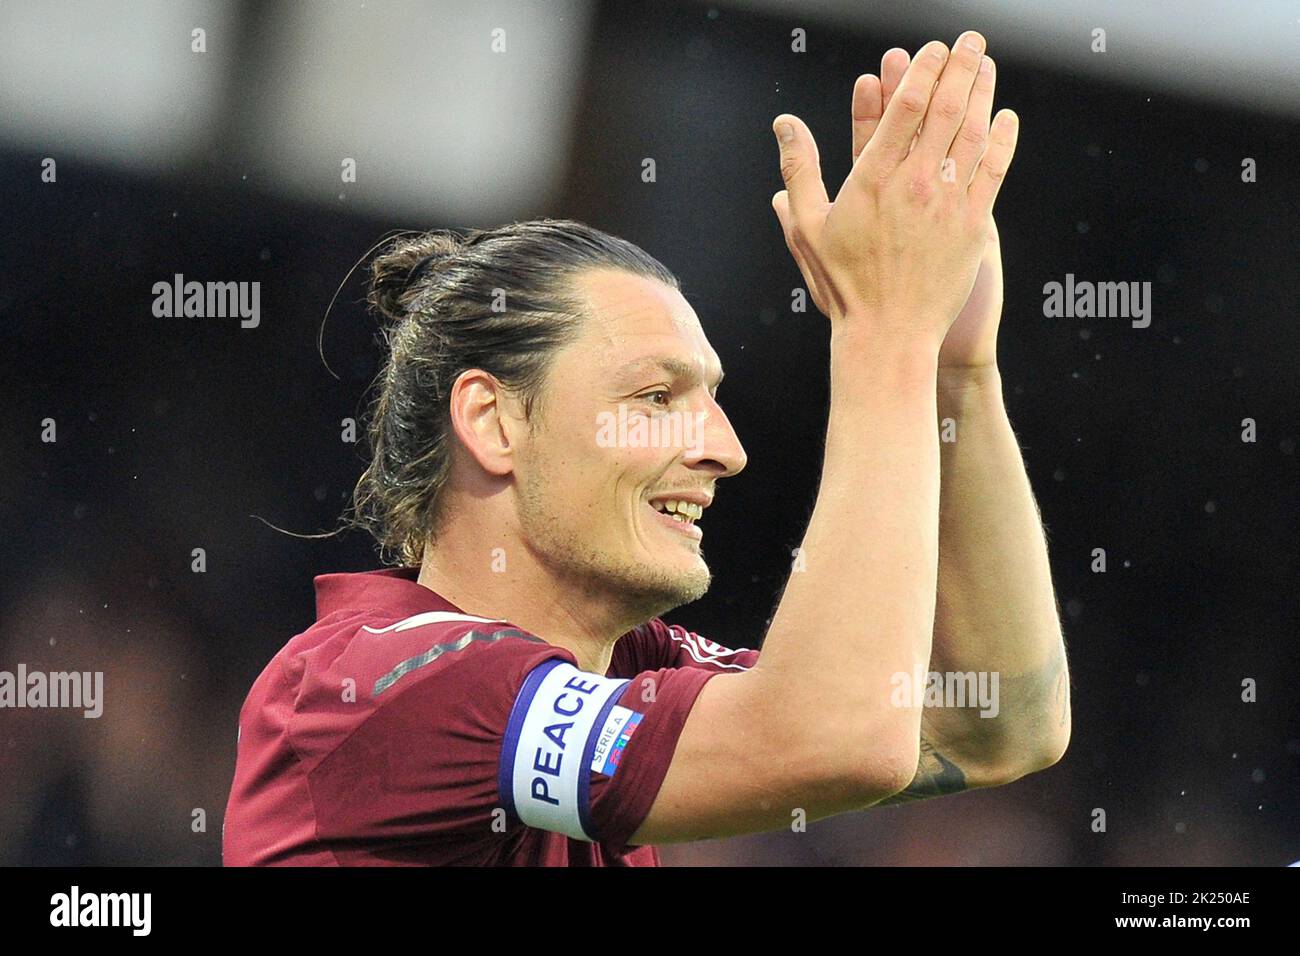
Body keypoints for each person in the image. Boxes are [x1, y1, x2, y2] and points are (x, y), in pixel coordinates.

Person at [223, 30, 1071, 866]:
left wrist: (957, 369)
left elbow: (995, 726)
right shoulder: (385, 684)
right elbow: (838, 738)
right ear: (492, 422)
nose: (725, 449)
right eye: (655, 397)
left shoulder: (628, 668)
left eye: (710, 398)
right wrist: (886, 330)